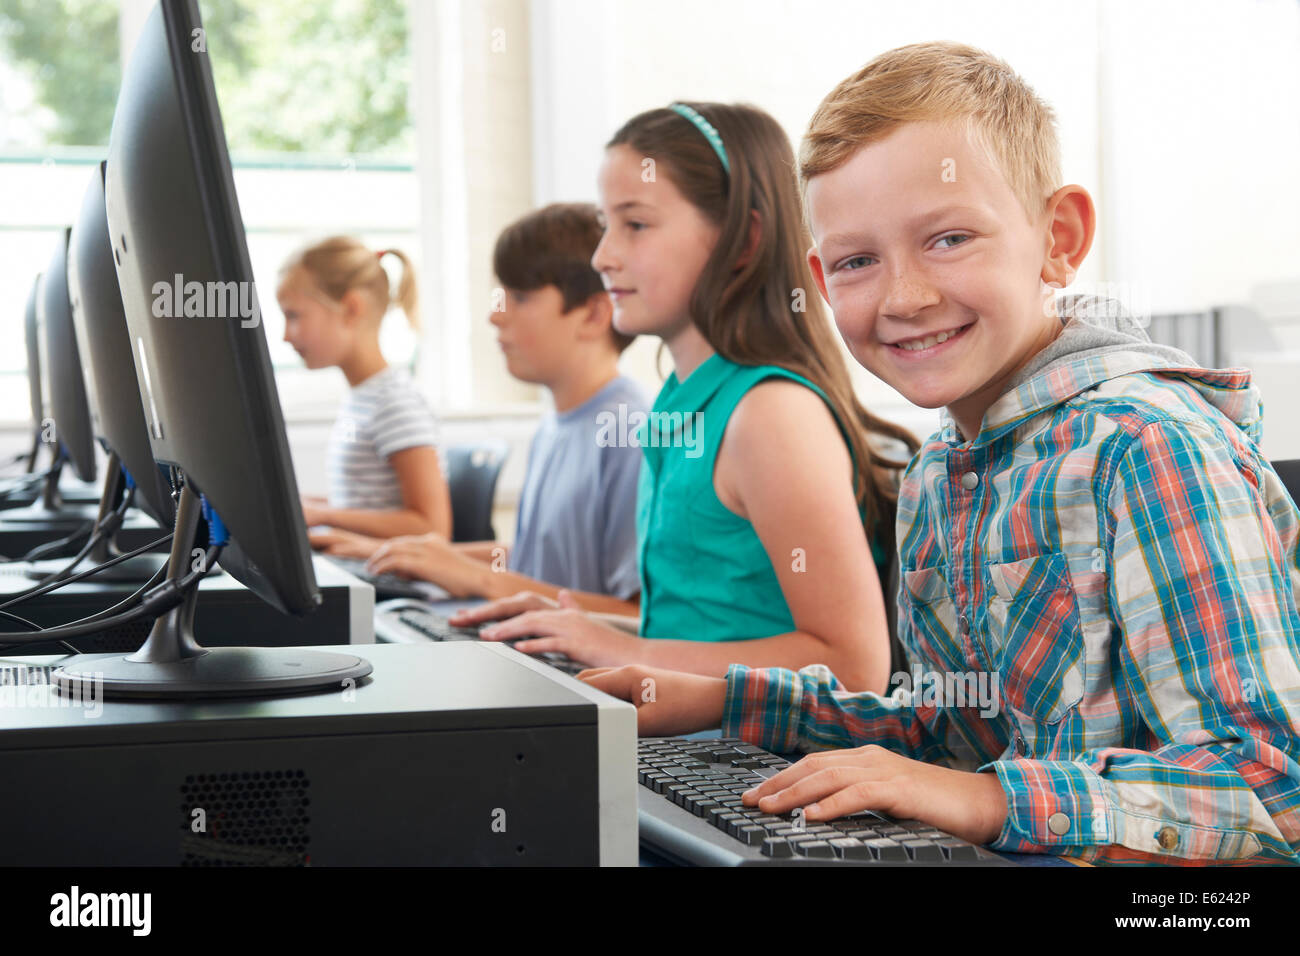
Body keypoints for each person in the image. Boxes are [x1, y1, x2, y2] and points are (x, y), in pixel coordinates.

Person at [582, 42, 1300, 864]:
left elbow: (1274, 791)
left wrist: (986, 798)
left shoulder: (1146, 449)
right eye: (858, 261)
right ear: (820, 276)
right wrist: (730, 703)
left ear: (1058, 237)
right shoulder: (940, 472)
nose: (904, 297)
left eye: (949, 238)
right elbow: (951, 728)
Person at [455, 102, 918, 694]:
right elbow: (702, 628)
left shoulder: (770, 413)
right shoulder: (680, 401)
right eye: (604, 224)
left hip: (750, 771)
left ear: (741, 238)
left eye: (636, 224)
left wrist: (631, 648)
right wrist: (587, 625)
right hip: (688, 755)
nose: (602, 257)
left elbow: (853, 666)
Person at [315, 204, 647, 616]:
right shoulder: (557, 424)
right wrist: (411, 554)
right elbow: (537, 565)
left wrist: (484, 580)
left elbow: (639, 619)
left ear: (595, 314)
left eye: (520, 296)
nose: (495, 313)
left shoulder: (629, 433)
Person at [277, 236, 451, 540]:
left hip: (396, 586)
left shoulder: (394, 403)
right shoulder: (363, 398)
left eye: (293, 316)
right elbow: (366, 509)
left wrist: (327, 516)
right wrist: (305, 508)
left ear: (350, 309)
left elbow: (432, 528)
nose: (285, 337)